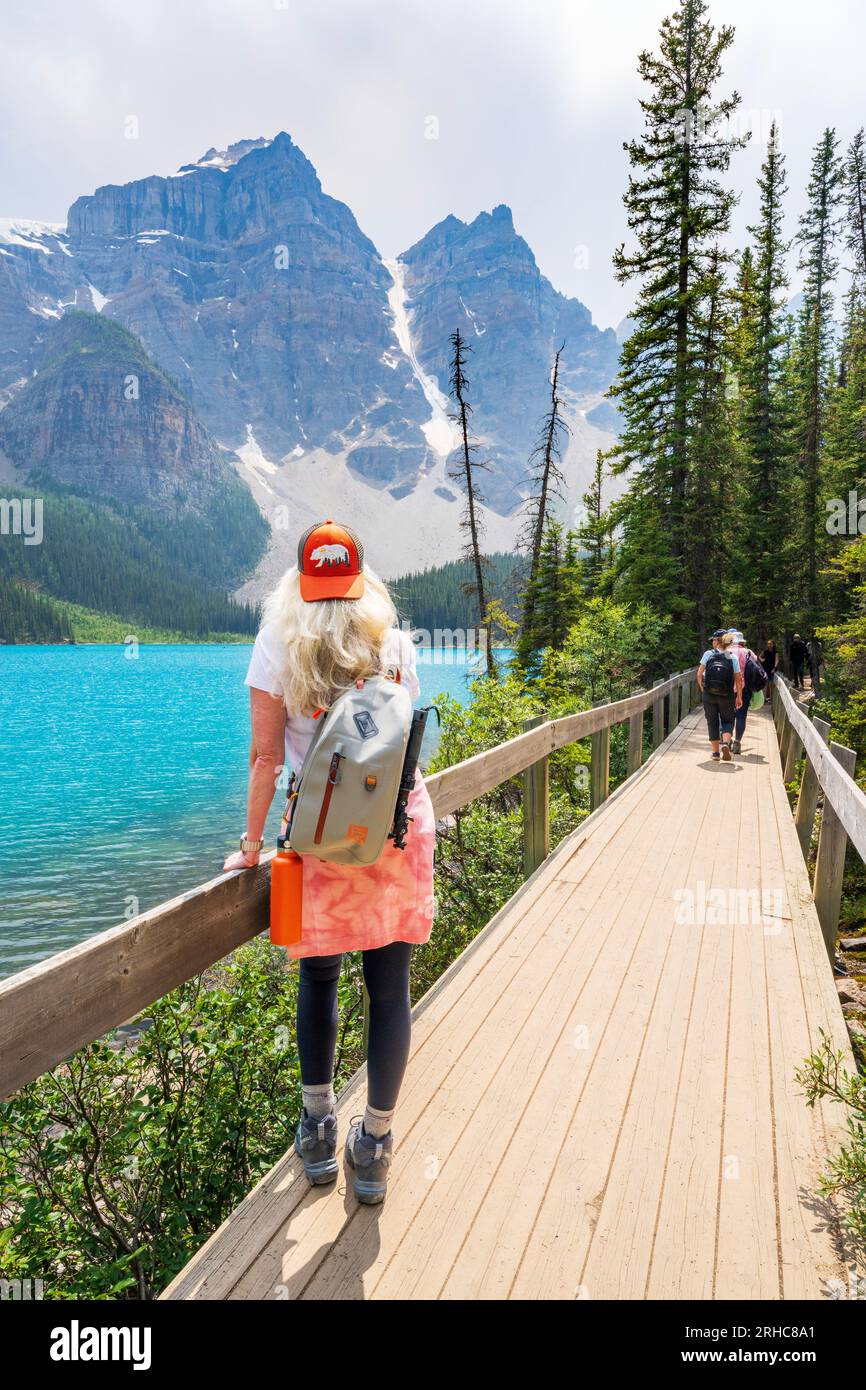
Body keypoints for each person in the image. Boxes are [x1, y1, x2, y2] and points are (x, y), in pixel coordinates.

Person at [223, 520, 435, 1205]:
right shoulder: (396, 645)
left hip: (316, 836)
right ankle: (373, 1146)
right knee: (389, 986)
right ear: (363, 584)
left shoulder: (275, 646)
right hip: (394, 831)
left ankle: (317, 1130)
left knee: (317, 979)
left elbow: (263, 758)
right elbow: (402, 745)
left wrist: (252, 847)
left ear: (297, 584)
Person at [697, 631, 743, 762]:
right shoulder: (732, 657)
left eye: (713, 640)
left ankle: (716, 754)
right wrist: (739, 697)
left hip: (709, 694)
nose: (712, 642)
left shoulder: (708, 654)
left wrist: (703, 689)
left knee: (712, 722)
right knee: (728, 720)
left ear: (717, 641)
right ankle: (726, 744)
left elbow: (699, 674)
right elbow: (739, 679)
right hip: (726, 695)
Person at [727, 629, 760, 754]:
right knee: (741, 716)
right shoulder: (748, 652)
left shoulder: (727, 651)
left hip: (728, 688)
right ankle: (737, 743)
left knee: (728, 716)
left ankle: (727, 740)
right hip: (745, 689)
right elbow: (757, 664)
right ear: (742, 641)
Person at [760, 639, 778, 705]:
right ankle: (763, 699)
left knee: (771, 685)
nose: (769, 645)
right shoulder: (765, 651)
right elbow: (759, 656)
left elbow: (776, 661)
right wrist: (762, 660)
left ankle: (770, 699)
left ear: (773, 644)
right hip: (765, 669)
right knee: (765, 685)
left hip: (771, 670)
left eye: (770, 644)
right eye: (768, 644)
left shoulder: (775, 652)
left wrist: (774, 668)